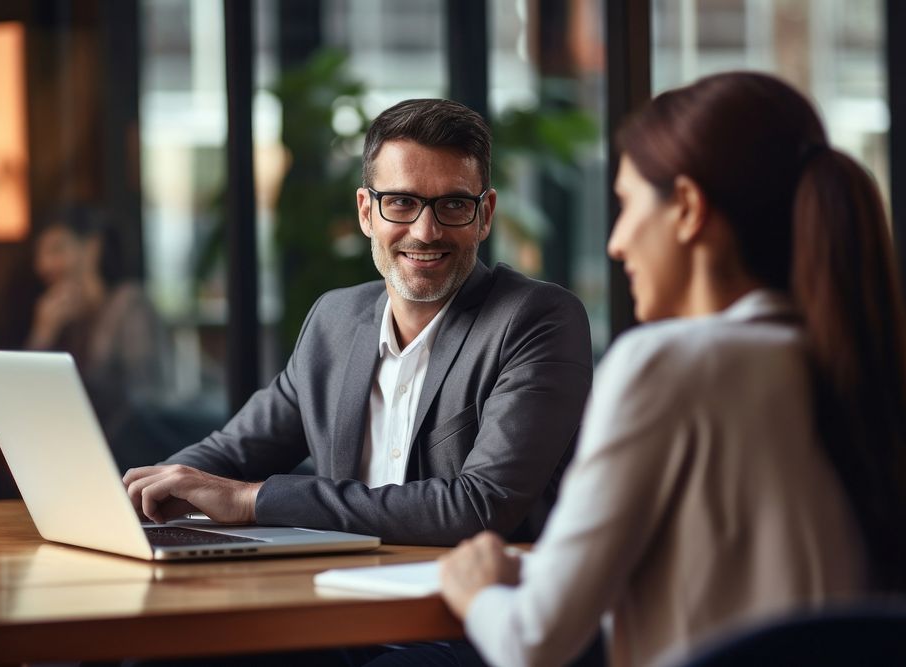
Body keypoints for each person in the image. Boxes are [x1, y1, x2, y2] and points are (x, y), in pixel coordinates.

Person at [440, 71, 906, 667]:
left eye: (628, 205)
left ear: (686, 208)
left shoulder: (663, 364)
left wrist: (478, 588)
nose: (615, 242)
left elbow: (532, 642)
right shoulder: (855, 353)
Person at [122, 98, 593, 548]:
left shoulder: (536, 320)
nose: (426, 232)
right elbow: (231, 454)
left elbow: (479, 506)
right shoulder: (335, 319)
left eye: (452, 205)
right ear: (366, 212)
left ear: (484, 215)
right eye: (402, 203)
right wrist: (146, 495)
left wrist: (250, 500)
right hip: (339, 599)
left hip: (470, 617)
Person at [28, 205, 174, 470]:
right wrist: (43, 333)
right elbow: (29, 399)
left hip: (128, 466)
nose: (44, 265)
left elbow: (145, 403)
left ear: (92, 248)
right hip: (73, 457)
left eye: (57, 250)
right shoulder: (64, 321)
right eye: (41, 254)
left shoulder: (128, 306)